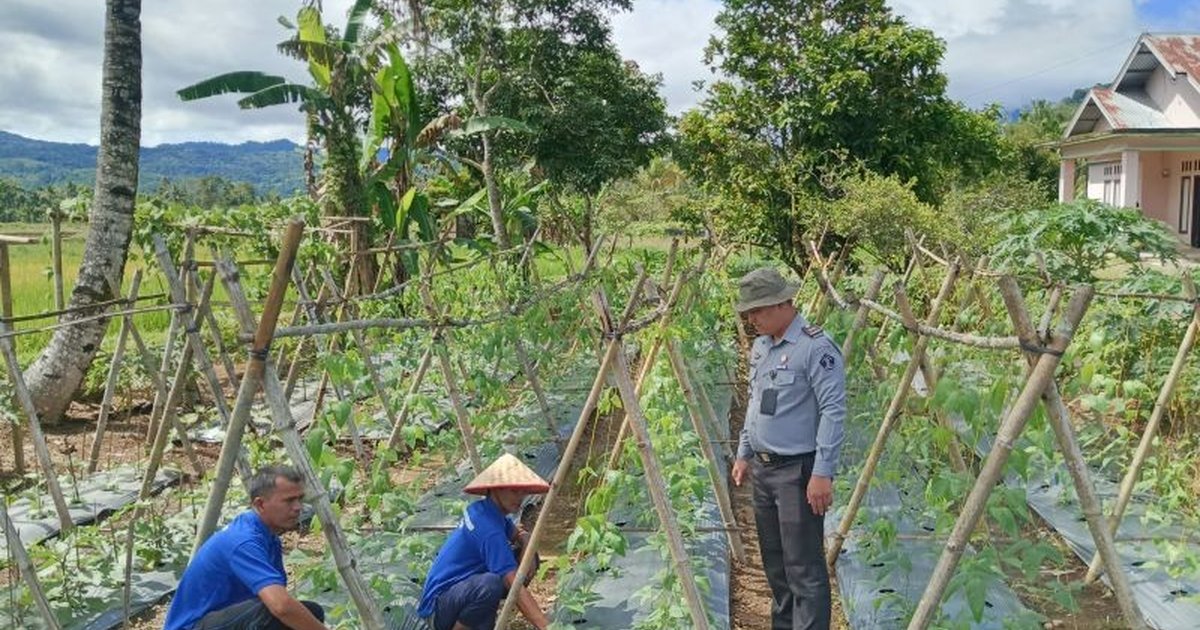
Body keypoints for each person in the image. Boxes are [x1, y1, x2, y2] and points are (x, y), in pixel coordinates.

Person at [730, 266, 846, 630]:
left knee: (804, 569)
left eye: (758, 310)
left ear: (783, 304)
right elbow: (755, 401)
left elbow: (833, 410)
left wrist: (822, 473)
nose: (752, 319)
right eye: (748, 313)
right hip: (764, 472)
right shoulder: (762, 348)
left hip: (798, 473)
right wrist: (744, 451)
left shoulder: (815, 348)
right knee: (776, 566)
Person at [165, 465, 327, 630]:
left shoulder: (268, 537)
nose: (298, 507)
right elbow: (281, 606)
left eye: (300, 499)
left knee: (310, 613)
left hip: (223, 620)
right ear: (260, 504)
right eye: (289, 500)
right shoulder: (243, 542)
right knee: (275, 614)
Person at [418, 453, 551, 630]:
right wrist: (546, 626)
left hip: (462, 590)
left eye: (522, 491)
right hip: (439, 607)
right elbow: (514, 584)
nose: (520, 497)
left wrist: (526, 541)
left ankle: (481, 618)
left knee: (527, 556)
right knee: (490, 585)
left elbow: (517, 534)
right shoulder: (488, 529)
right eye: (513, 490)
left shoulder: (486, 511)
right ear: (495, 489)